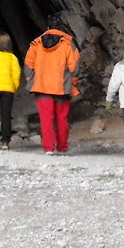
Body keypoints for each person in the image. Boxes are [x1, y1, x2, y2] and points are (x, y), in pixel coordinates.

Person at [23, 25, 81, 155]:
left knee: (46, 119)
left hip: (42, 87)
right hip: (62, 87)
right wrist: (73, 83)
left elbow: (28, 64)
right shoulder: (68, 44)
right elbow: (75, 67)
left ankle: (49, 148)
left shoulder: (36, 44)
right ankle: (62, 147)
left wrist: (32, 80)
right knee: (62, 119)